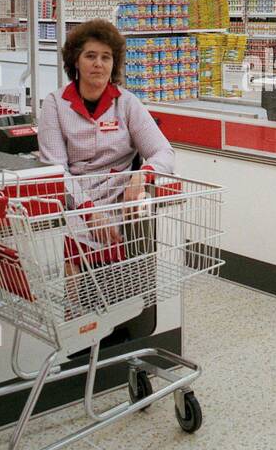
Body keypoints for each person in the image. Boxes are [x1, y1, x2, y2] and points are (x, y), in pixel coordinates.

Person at [37, 20, 175, 345]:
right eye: (90, 56)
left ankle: (112, 328)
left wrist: (145, 173)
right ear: (75, 61)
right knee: (69, 250)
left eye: (106, 57)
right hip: (75, 202)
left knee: (117, 269)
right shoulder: (55, 104)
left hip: (118, 203)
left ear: (114, 63)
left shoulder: (126, 102)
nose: (98, 64)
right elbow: (56, 170)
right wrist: (87, 210)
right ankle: (76, 337)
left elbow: (163, 150)